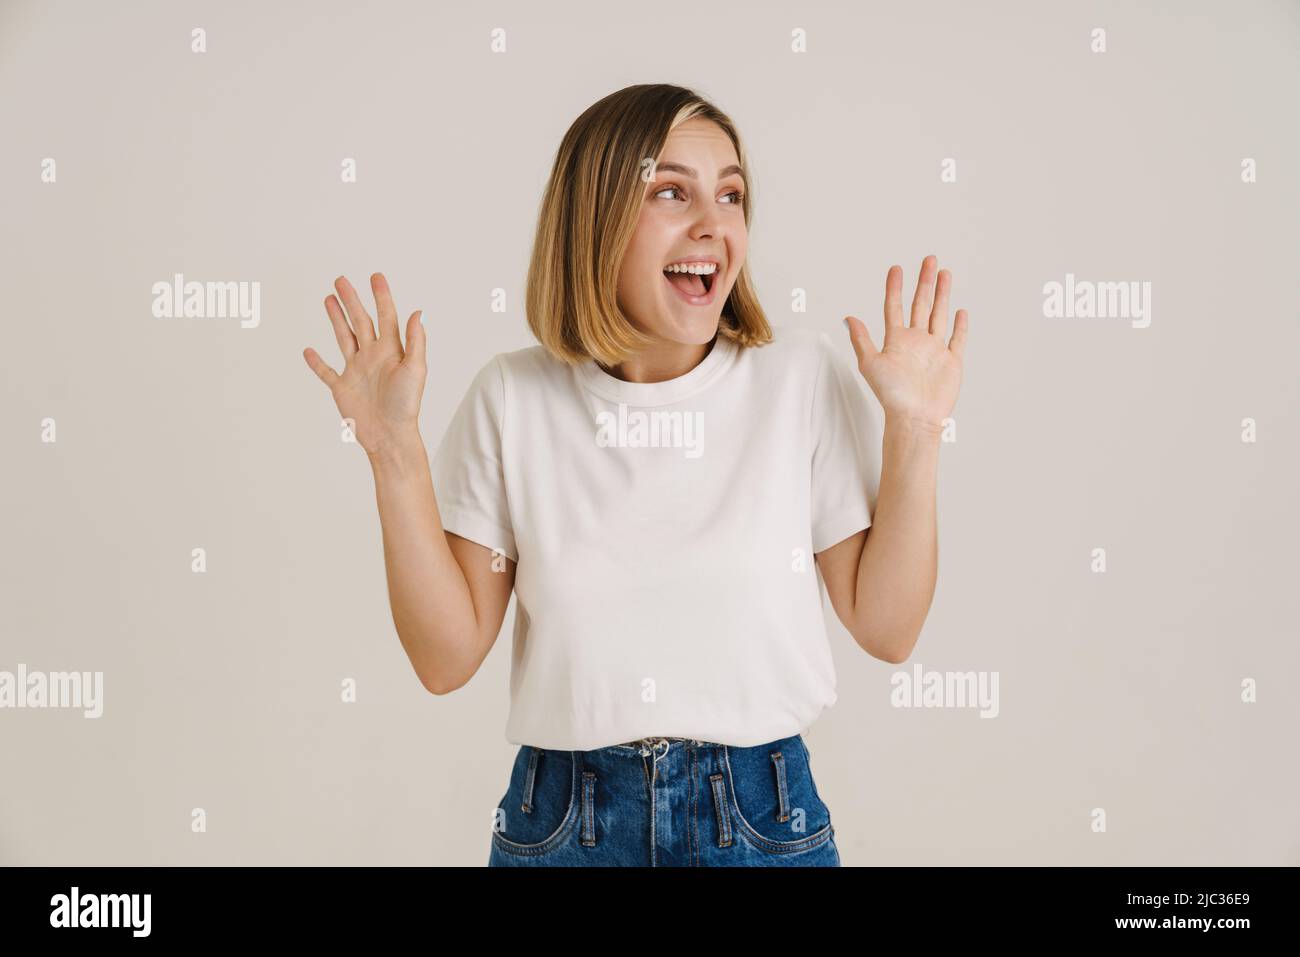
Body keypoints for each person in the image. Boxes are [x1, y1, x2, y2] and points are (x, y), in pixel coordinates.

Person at [303, 83, 969, 867]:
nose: (712, 224)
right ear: (596, 218)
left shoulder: (797, 380)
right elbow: (444, 658)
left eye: (731, 194)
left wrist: (916, 432)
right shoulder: (515, 396)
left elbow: (888, 628)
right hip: (563, 822)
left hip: (758, 820)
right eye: (670, 191)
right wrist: (393, 452)